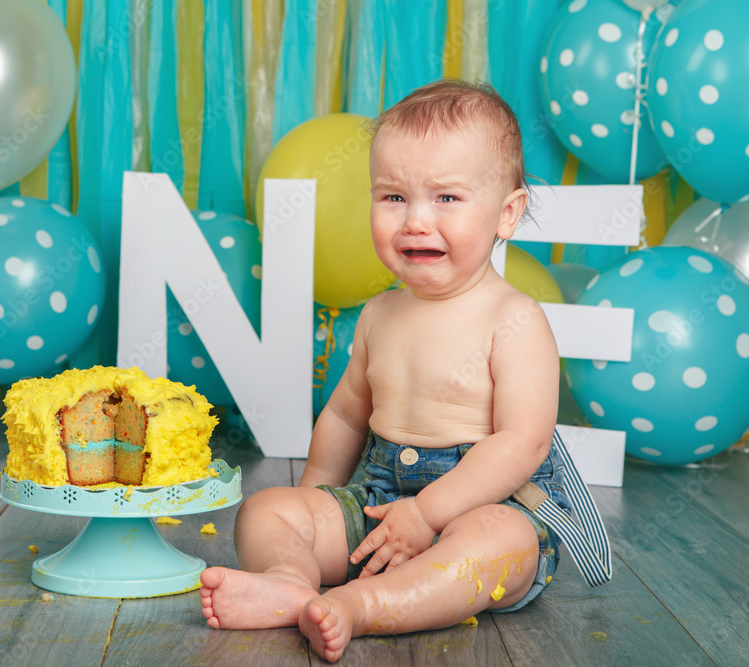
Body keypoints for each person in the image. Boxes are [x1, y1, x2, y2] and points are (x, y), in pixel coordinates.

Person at [199, 79, 607, 663]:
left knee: (502, 545)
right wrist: (317, 499)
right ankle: (290, 581)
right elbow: (344, 413)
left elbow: (523, 443)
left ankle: (365, 607)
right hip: (377, 501)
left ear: (507, 213)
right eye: (393, 197)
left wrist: (427, 513)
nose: (415, 220)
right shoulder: (379, 315)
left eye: (446, 199)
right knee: (269, 510)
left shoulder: (515, 319)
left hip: (478, 508)